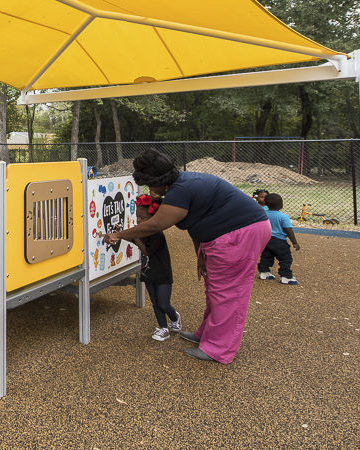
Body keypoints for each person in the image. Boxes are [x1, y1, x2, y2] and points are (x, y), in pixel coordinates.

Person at [104, 148, 270, 364]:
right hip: (225, 234)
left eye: (149, 184)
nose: (150, 190)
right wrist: (201, 255)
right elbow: (196, 222)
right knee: (215, 288)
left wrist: (118, 235)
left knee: (228, 293)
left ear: (158, 181)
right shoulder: (183, 183)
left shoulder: (180, 190)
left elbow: (154, 225)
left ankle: (219, 349)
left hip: (239, 235)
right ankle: (208, 335)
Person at [132, 195, 181, 342]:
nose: (138, 220)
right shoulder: (141, 231)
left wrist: (135, 237)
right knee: (155, 301)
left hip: (162, 273)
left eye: (142, 217)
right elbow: (132, 238)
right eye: (137, 216)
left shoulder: (157, 234)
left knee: (163, 303)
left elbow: (147, 251)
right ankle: (163, 328)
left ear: (153, 218)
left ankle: (174, 317)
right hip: (148, 273)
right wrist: (121, 233)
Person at [257, 193, 300, 285]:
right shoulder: (283, 217)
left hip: (266, 240)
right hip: (279, 241)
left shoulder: (263, 214)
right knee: (285, 258)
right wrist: (294, 242)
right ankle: (286, 276)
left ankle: (264, 272)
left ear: (266, 204)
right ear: (281, 205)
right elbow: (288, 230)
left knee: (266, 256)